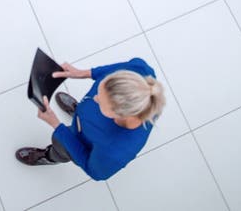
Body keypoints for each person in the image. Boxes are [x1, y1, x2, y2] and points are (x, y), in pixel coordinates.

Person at [15, 58, 166, 180]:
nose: (94, 98)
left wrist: (56, 125)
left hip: (83, 142)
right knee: (86, 108)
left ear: (119, 114)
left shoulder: (115, 151)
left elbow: (93, 170)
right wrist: (82, 73)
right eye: (99, 90)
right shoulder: (140, 72)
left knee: (61, 146)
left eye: (100, 102)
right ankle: (78, 112)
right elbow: (113, 70)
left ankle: (50, 156)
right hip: (87, 119)